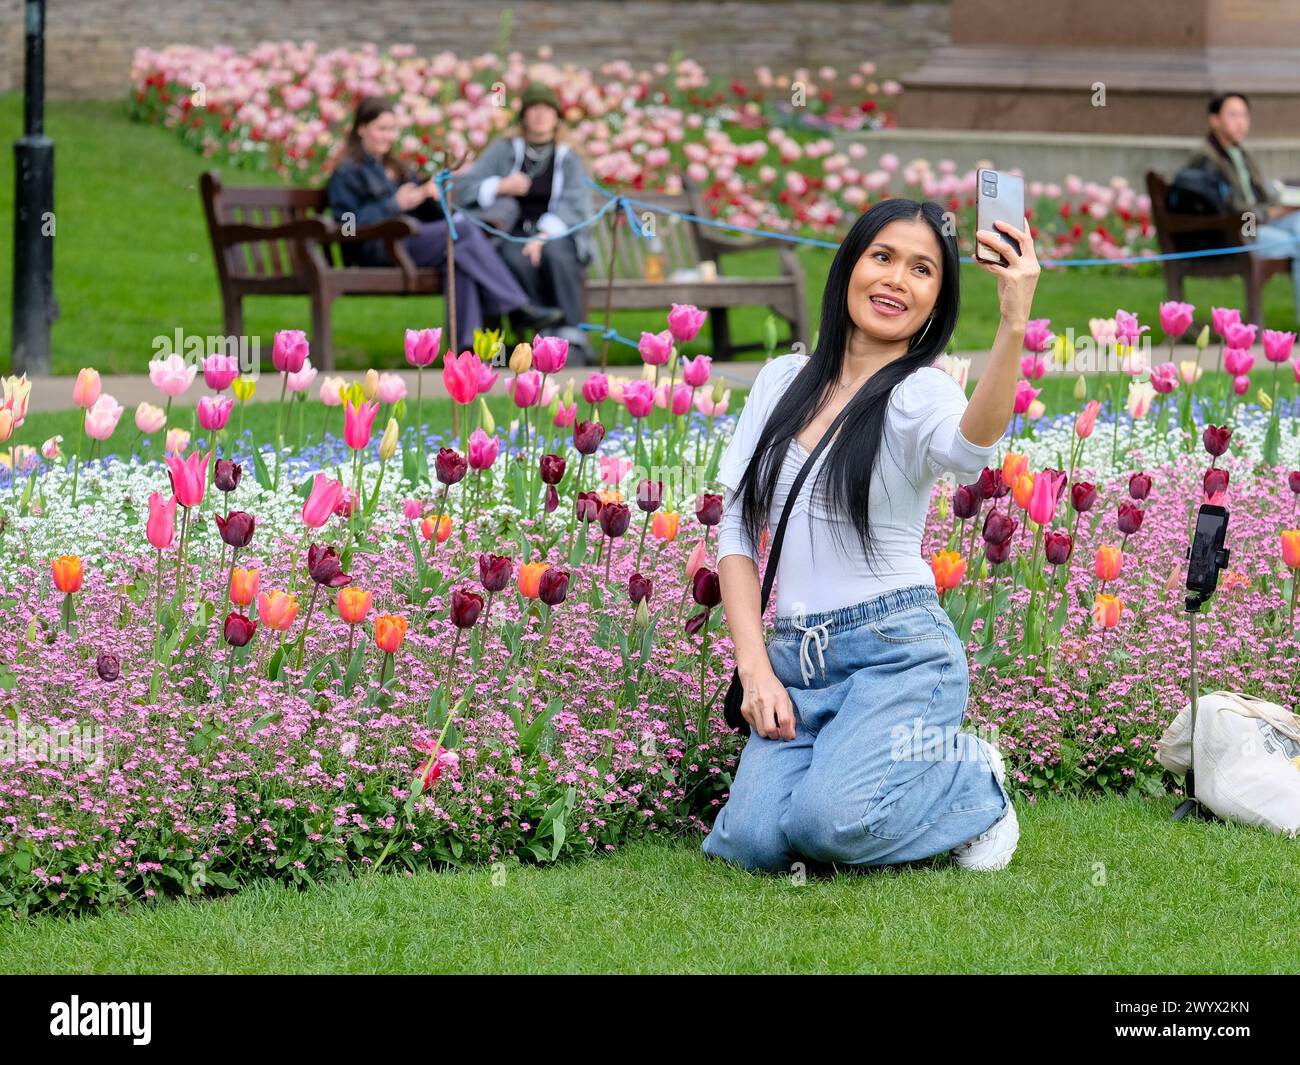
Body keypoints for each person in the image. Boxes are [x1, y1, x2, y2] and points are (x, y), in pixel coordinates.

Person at [700, 198, 1040, 874]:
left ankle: (973, 783)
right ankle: (855, 775)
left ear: (936, 301)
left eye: (921, 270)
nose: (895, 280)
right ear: (850, 264)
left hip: (897, 654)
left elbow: (973, 446)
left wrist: (1013, 321)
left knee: (831, 825)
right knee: (752, 844)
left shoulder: (920, 392)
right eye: (882, 256)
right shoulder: (778, 382)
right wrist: (754, 667)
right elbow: (736, 527)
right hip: (796, 659)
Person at [325, 96, 563, 346]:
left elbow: (429, 212)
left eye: (392, 129)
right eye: (381, 129)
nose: (388, 136)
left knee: (461, 258)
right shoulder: (347, 172)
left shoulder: (396, 167)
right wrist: (395, 204)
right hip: (380, 249)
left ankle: (467, 350)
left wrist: (431, 191)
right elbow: (347, 226)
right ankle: (517, 308)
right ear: (361, 129)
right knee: (465, 233)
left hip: (412, 241)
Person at [452, 83, 594, 333]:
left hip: (557, 233)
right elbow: (466, 187)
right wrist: (501, 185)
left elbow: (577, 202)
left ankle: (572, 334)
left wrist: (542, 237)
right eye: (533, 109)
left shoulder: (570, 156)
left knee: (556, 256)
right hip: (512, 232)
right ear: (524, 116)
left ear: (556, 117)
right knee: (513, 258)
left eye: (547, 109)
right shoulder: (504, 149)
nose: (540, 115)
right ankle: (534, 332)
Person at [1183, 92, 1300, 319]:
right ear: (1214, 119)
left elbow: (1260, 197)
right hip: (1236, 234)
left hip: (1259, 223)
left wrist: (1281, 203)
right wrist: (1269, 212)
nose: (1240, 122)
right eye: (1233, 115)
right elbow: (1225, 208)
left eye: (1244, 115)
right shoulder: (1206, 158)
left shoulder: (1242, 154)